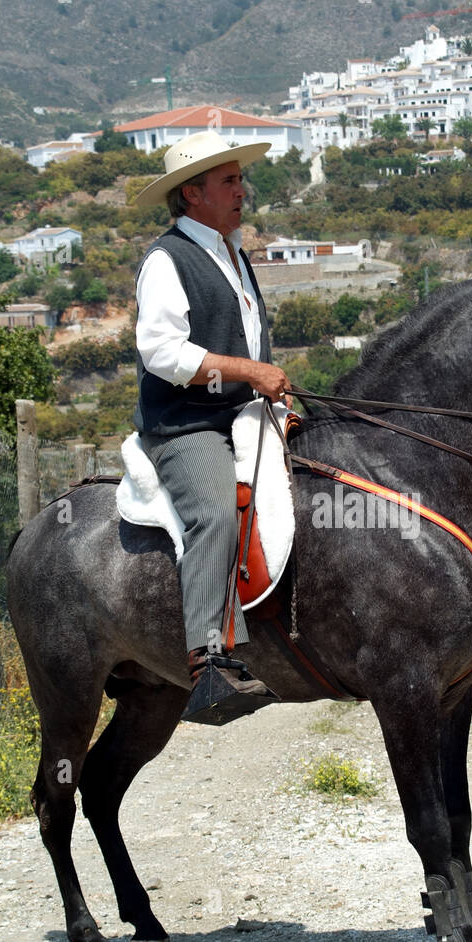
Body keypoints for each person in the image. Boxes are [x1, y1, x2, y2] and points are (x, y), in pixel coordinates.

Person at [132, 130, 292, 721]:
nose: (241, 190)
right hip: (185, 424)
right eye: (229, 181)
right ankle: (209, 660)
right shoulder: (165, 261)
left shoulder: (233, 252)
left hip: (245, 413)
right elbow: (163, 353)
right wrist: (249, 370)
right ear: (192, 194)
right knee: (216, 512)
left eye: (238, 179)